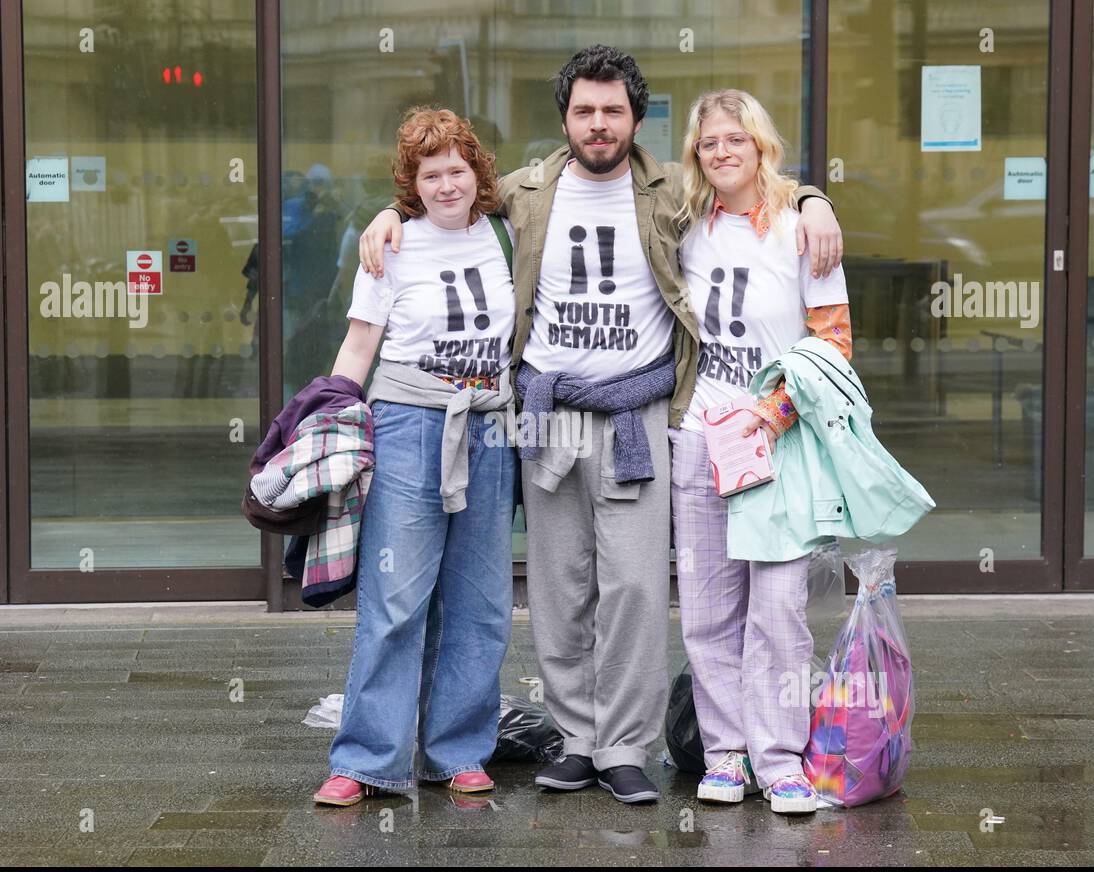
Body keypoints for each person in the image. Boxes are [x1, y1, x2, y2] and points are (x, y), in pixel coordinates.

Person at [361, 47, 844, 804]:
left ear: (635, 118)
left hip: (637, 412)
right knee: (558, 589)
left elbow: (744, 185)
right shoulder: (525, 191)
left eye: (612, 110)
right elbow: (447, 193)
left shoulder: (671, 195)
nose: (597, 123)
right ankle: (576, 739)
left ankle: (624, 745)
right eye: (584, 110)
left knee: (636, 589)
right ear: (565, 118)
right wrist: (391, 211)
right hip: (549, 413)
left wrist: (813, 197)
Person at [314, 107, 519, 806]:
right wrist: (331, 416)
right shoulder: (391, 246)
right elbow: (360, 347)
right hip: (408, 424)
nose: (447, 184)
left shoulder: (507, 236)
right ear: (413, 183)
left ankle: (457, 751)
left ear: (477, 172)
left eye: (457, 169)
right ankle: (366, 756)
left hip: (489, 428)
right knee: (395, 597)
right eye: (431, 174)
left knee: (482, 600)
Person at [670, 89, 852, 813]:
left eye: (734, 140)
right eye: (708, 142)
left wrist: (773, 415)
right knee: (709, 611)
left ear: (761, 146)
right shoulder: (685, 227)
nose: (721, 152)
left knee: (779, 610)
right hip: (699, 440)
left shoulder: (802, 230)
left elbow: (834, 343)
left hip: (779, 440)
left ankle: (780, 761)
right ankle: (724, 754)